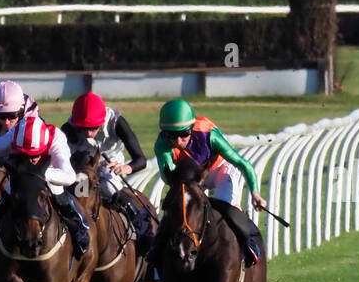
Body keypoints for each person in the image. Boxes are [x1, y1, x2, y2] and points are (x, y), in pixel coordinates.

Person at [154, 99, 268, 266]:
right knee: (174, 211)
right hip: (190, 178)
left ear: (192, 128)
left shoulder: (209, 135)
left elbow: (242, 163)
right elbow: (168, 177)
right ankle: (155, 253)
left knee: (225, 208)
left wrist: (255, 192)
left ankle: (248, 244)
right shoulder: (162, 144)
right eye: (172, 136)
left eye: (184, 134)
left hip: (219, 171)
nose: (179, 141)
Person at [0, 115, 90, 257]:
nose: (31, 160)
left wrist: (38, 173)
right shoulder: (11, 137)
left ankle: (80, 236)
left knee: (66, 206)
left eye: (36, 155)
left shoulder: (56, 138)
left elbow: (69, 176)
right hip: (19, 182)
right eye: (26, 155)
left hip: (49, 181)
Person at [60, 92, 156, 255]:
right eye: (83, 129)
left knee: (109, 186)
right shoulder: (69, 128)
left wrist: (126, 168)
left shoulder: (116, 121)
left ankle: (140, 225)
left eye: (93, 128)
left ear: (102, 122)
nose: (89, 133)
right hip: (83, 165)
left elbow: (141, 159)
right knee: (79, 193)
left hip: (110, 161)